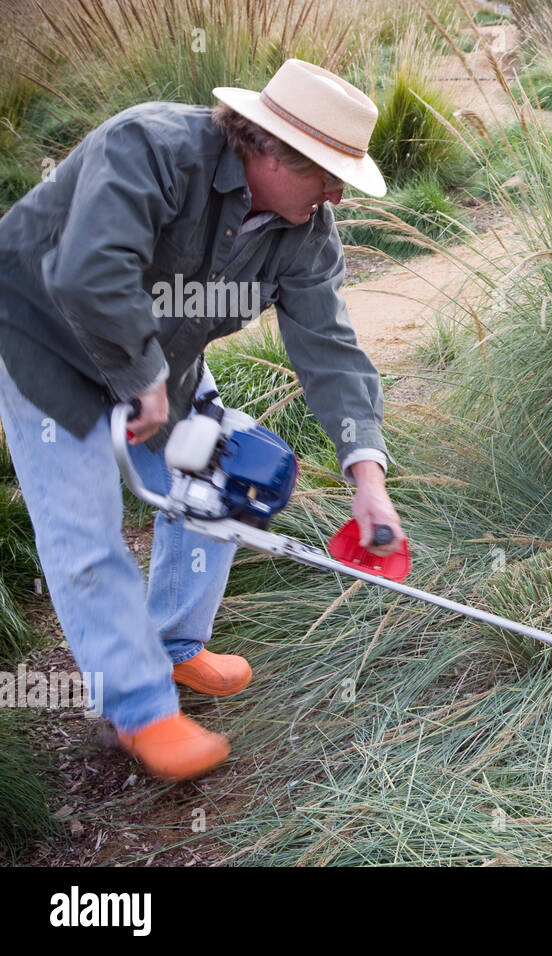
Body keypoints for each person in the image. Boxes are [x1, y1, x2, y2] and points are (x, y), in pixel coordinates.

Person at [0, 59, 407, 781]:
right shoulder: (149, 148)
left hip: (163, 359)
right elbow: (90, 271)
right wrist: (142, 379)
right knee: (84, 533)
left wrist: (367, 477)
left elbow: (331, 348)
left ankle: (172, 647)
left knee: (230, 485)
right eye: (328, 175)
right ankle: (138, 711)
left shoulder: (307, 229)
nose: (337, 194)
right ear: (272, 151)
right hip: (43, 341)